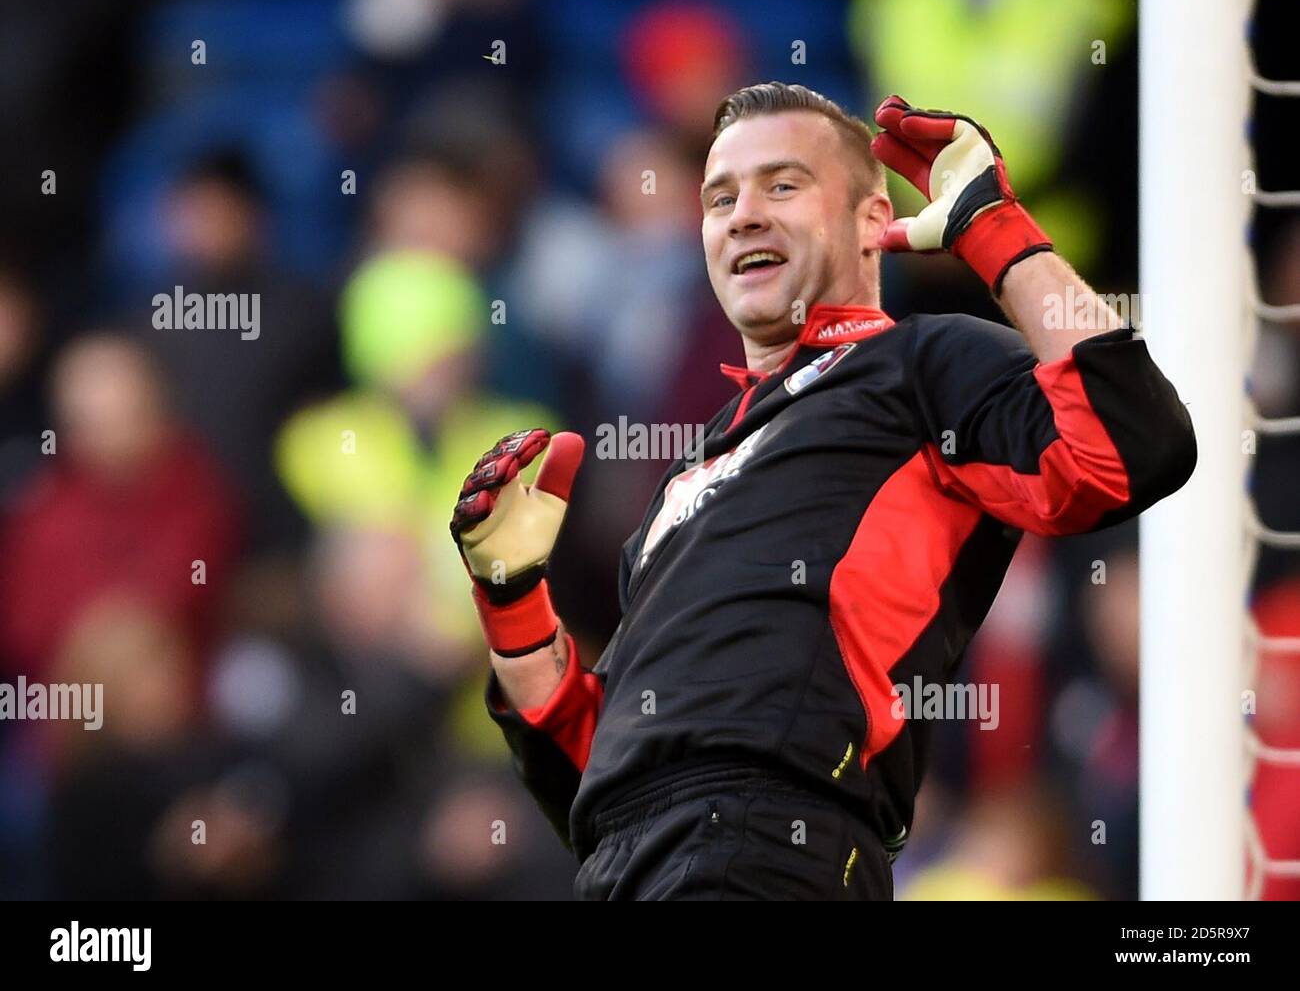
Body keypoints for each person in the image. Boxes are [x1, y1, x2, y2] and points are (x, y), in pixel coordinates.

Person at [449, 83, 1197, 900]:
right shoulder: (683, 479)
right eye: (720, 197)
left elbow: (1134, 443)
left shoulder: (925, 364)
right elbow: (596, 778)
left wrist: (994, 229)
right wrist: (513, 601)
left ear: (874, 221)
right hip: (622, 870)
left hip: (775, 845)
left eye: (782, 184)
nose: (742, 214)